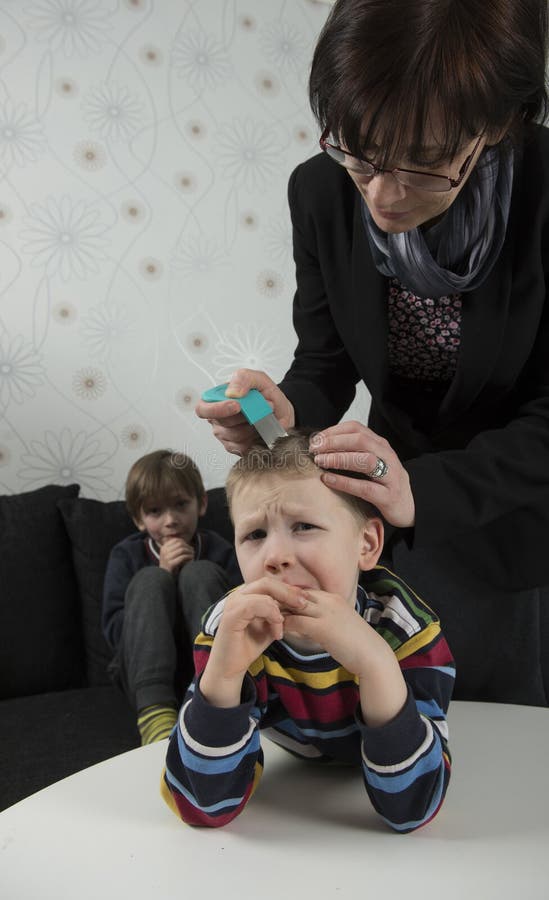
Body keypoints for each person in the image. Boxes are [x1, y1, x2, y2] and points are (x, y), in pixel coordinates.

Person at [195, 0, 549, 707]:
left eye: (423, 164)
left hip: (521, 519)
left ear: (497, 125)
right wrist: (282, 411)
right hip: (396, 526)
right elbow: (326, 361)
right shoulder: (321, 190)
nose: (382, 197)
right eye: (360, 155)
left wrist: (425, 491)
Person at [162, 431, 454, 831]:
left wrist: (375, 665)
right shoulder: (228, 631)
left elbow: (413, 811)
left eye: (303, 526)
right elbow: (203, 807)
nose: (276, 557)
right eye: (255, 535)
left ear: (366, 544)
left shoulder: (407, 632)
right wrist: (223, 679)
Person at [102, 449, 241, 744]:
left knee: (200, 573)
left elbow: (244, 611)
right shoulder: (126, 555)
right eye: (155, 511)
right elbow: (115, 632)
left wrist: (189, 573)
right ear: (138, 519)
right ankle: (156, 717)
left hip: (212, 669)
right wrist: (165, 573)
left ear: (201, 503)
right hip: (144, 674)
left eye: (180, 505)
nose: (170, 520)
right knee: (150, 579)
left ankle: (213, 702)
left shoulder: (219, 549)